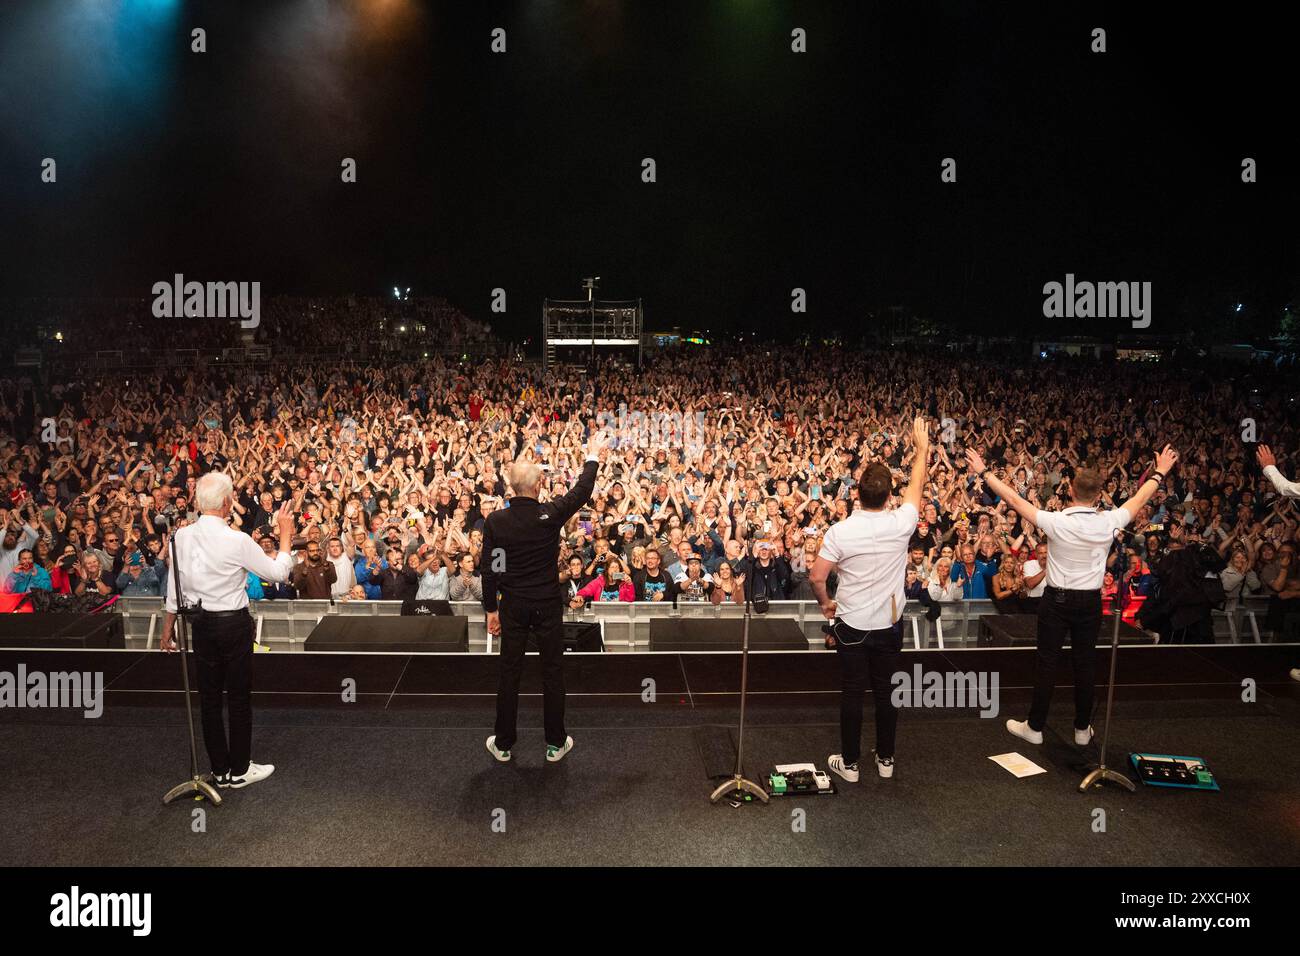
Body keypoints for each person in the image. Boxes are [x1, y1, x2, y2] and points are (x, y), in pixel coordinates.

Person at [967, 442, 1179, 747]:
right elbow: (1139, 497)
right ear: (1098, 495)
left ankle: (1035, 727)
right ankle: (1082, 730)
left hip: (1057, 600)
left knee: (1047, 662)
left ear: (1070, 490)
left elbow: (1012, 497)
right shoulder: (1110, 520)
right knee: (1085, 663)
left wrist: (984, 471)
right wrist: (1160, 471)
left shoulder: (1057, 521)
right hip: (1090, 602)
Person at [809, 416, 930, 782]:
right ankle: (886, 760)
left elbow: (816, 576)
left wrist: (825, 603)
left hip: (851, 624)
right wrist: (922, 448)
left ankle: (849, 765)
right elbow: (917, 487)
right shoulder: (902, 523)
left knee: (852, 692)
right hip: (889, 625)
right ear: (889, 496)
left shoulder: (841, 531)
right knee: (887, 691)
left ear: (855, 493)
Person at [162, 472, 296, 790]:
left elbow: (173, 587)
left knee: (209, 699)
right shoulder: (236, 539)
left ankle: (219, 771)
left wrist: (167, 628)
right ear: (226, 503)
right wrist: (286, 534)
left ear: (197, 502)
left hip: (201, 625)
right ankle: (239, 770)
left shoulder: (179, 537)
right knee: (237, 697)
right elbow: (278, 572)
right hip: (233, 625)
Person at [481, 429, 607, 765]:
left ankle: (504, 743)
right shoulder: (548, 515)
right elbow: (581, 491)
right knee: (552, 671)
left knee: (510, 673)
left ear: (511, 488)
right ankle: (555, 743)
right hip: (547, 605)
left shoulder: (497, 521)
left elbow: (491, 569)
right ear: (537, 487)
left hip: (514, 606)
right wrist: (592, 456)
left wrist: (491, 610)